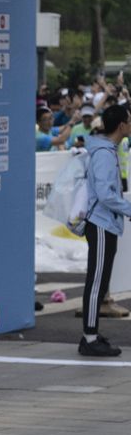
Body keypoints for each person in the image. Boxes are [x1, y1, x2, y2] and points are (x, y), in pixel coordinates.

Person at [79, 104, 131, 356]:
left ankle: (91, 334)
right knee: (96, 281)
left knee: (100, 280)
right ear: (121, 125)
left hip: (106, 223)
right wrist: (128, 208)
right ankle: (89, 338)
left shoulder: (107, 149)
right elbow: (104, 194)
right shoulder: (103, 153)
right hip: (100, 223)